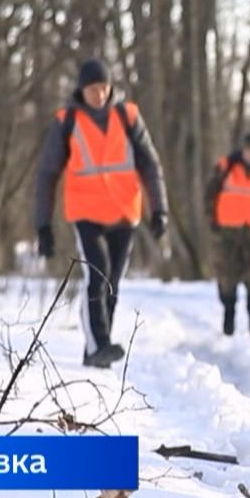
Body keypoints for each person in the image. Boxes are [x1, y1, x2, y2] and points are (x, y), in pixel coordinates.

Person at [32, 57, 170, 369]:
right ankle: (98, 346)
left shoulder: (128, 116)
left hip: (124, 211)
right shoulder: (67, 121)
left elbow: (150, 165)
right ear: (82, 90)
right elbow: (47, 174)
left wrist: (159, 209)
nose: (100, 95)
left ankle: (96, 346)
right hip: (86, 212)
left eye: (105, 88)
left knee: (113, 282)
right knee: (97, 272)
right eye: (94, 89)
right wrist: (43, 225)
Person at [206, 131, 250, 338]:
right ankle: (229, 317)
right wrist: (212, 220)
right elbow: (210, 194)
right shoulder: (226, 168)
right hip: (228, 231)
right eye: (249, 150)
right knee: (227, 277)